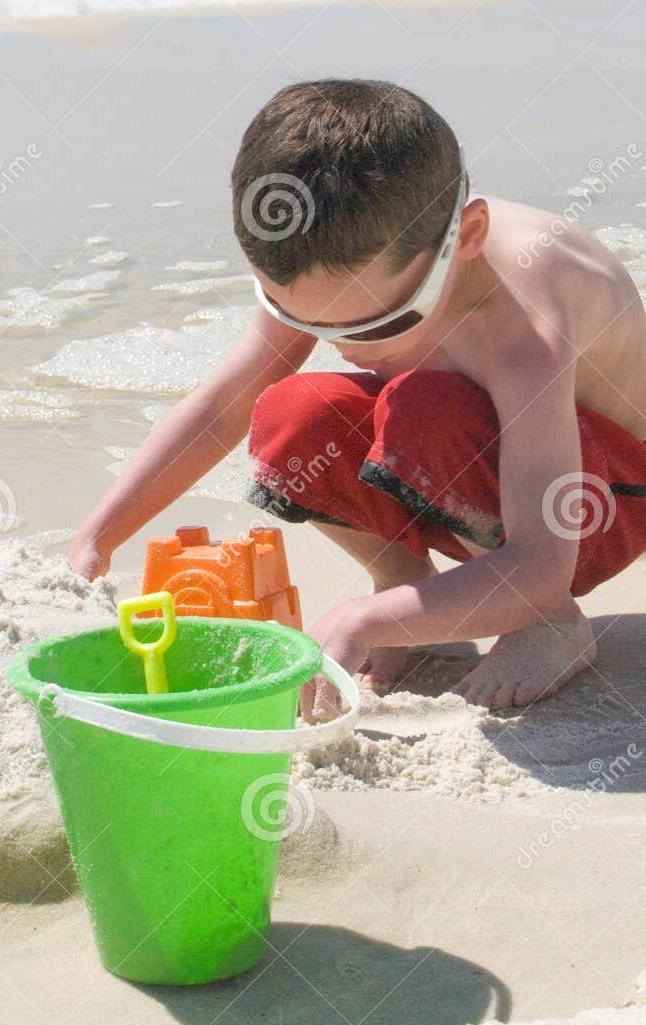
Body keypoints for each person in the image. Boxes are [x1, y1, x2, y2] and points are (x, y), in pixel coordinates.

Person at [69, 79, 646, 712]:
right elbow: (224, 404)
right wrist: (97, 539)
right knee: (293, 412)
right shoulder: (343, 252)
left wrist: (364, 620)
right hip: (473, 471)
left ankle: (547, 624)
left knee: (420, 406)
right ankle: (405, 582)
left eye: (378, 326)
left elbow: (542, 564)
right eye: (310, 324)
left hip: (596, 505)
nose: (346, 347)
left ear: (469, 234)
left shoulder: (523, 322)